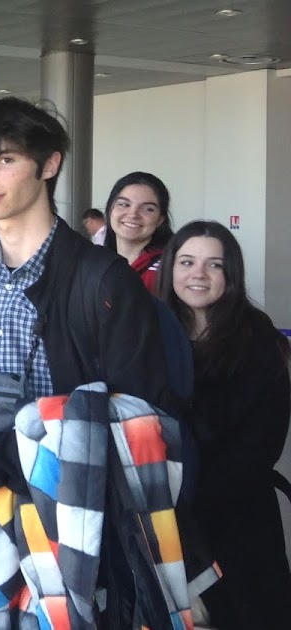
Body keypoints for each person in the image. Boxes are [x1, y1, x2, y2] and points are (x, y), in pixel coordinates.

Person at [0, 97, 177, 626]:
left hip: (85, 539)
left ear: (49, 164)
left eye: (4, 159)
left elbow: (136, 423)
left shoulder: (103, 280)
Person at [157, 221, 291, 629]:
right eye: (187, 262)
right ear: (170, 269)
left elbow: (262, 441)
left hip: (237, 515)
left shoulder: (256, 337)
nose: (198, 274)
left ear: (230, 276)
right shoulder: (149, 331)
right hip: (164, 514)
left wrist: (193, 496)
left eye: (214, 265)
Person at [103, 171, 174, 294]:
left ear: (160, 220)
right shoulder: (99, 264)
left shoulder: (169, 269)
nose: (133, 214)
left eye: (148, 209)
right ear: (110, 210)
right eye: (124, 204)